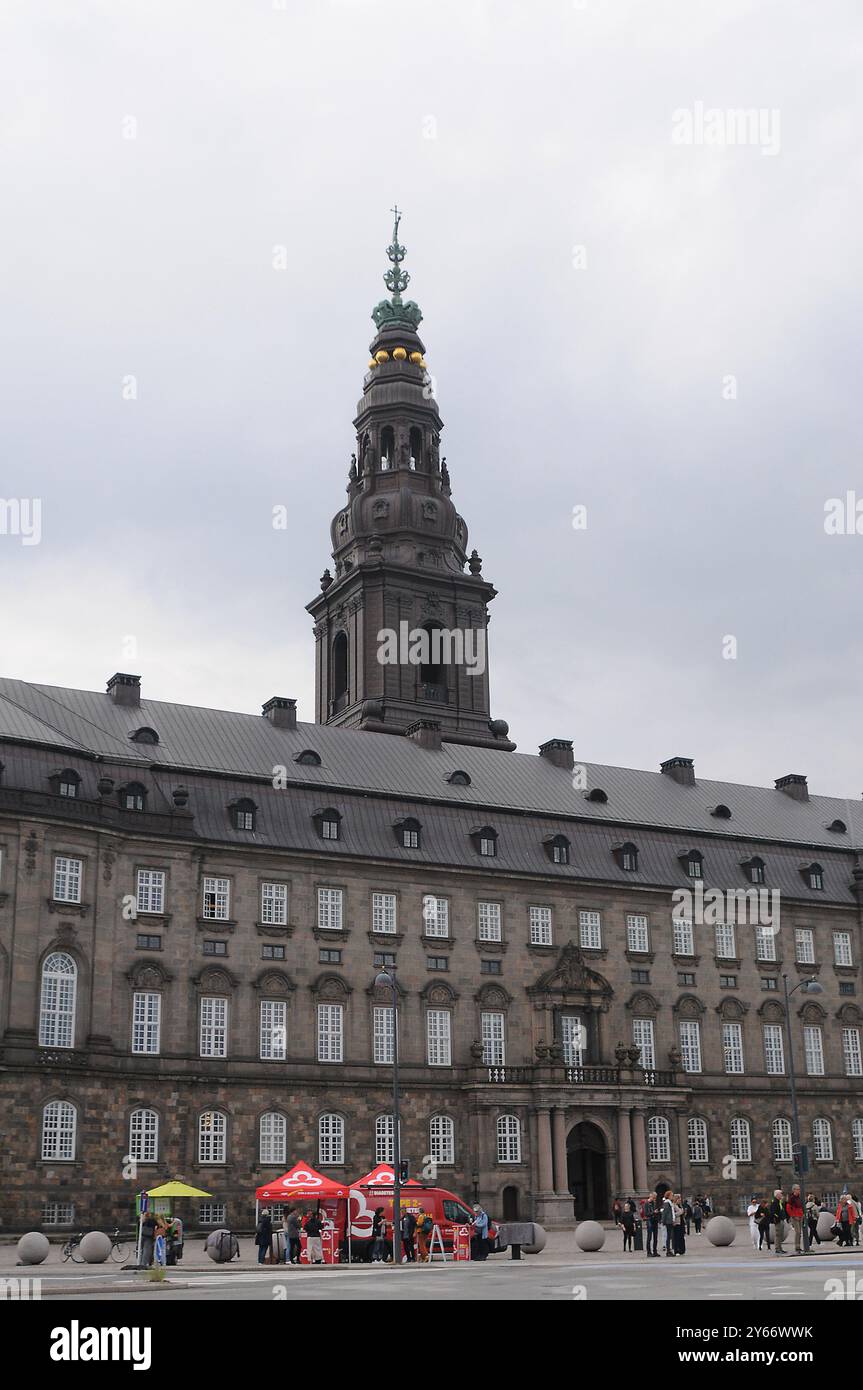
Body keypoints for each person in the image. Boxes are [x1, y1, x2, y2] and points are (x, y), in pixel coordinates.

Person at [785, 1185, 804, 1254]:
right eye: (798, 1189)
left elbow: (801, 1206)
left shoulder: (799, 1197)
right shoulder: (791, 1198)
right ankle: (797, 1246)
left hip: (800, 1215)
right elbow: (788, 1208)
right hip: (795, 1216)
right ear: (794, 1190)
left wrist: (803, 1214)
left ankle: (798, 1246)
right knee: (798, 1232)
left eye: (799, 1189)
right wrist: (792, 1215)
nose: (799, 1190)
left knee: (799, 1232)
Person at [769, 1189, 787, 1255]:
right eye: (781, 1194)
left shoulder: (779, 1201)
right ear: (777, 1195)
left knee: (780, 1235)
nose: (782, 1195)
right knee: (778, 1235)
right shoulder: (774, 1202)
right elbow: (773, 1212)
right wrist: (777, 1218)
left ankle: (780, 1248)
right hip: (778, 1221)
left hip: (781, 1219)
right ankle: (777, 1248)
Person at [661, 1189, 676, 1256]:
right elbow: (665, 1213)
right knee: (668, 1236)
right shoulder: (667, 1203)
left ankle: (669, 1250)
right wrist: (663, 1221)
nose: (672, 1196)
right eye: (671, 1195)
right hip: (668, 1221)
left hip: (670, 1221)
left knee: (669, 1236)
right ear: (668, 1196)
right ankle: (668, 1251)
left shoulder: (669, 1202)